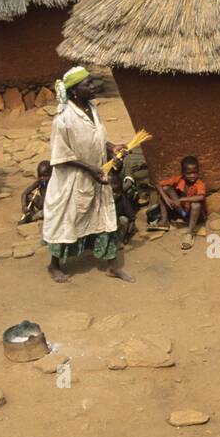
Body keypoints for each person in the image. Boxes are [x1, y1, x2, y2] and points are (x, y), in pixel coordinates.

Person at [42, 67, 133, 283]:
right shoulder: (63, 120)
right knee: (67, 220)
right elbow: (60, 155)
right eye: (88, 84)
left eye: (92, 82)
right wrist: (90, 169)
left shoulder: (92, 108)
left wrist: (112, 148)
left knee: (105, 218)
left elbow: (98, 139)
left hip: (97, 175)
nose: (93, 87)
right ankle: (54, 266)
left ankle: (112, 266)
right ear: (74, 91)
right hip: (73, 179)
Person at [158, 155, 207, 250]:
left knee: (196, 204)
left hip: (196, 216)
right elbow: (159, 185)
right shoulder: (179, 179)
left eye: (195, 172)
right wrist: (167, 199)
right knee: (165, 189)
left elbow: (201, 197)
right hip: (184, 212)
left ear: (198, 171)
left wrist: (181, 200)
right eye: (189, 173)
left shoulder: (200, 183)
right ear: (183, 173)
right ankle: (164, 221)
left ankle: (190, 234)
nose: (192, 176)